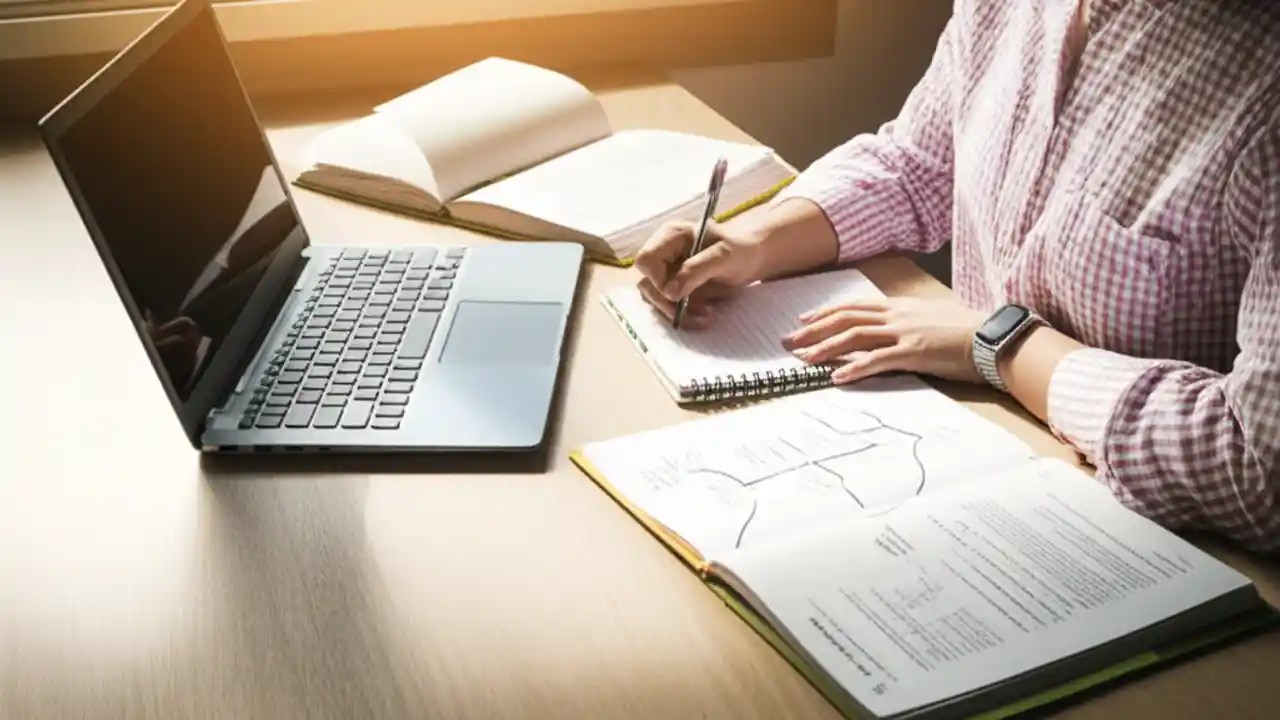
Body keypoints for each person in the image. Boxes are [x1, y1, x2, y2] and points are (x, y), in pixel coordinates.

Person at [634, 0, 1280, 552]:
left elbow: (1261, 470)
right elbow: (923, 162)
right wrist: (754, 240)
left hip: (1161, 535)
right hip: (978, 444)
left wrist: (1001, 344)